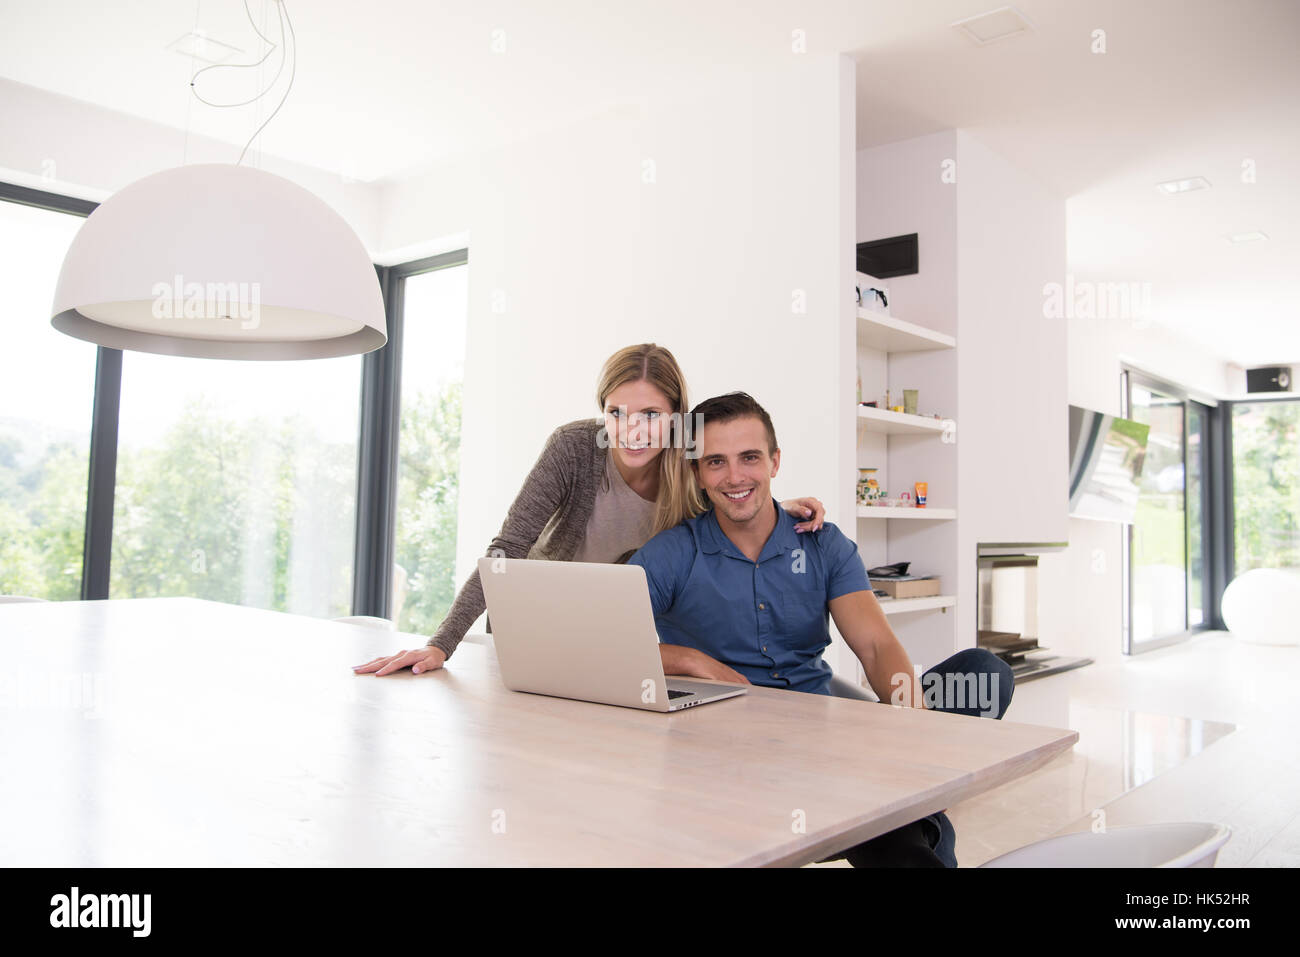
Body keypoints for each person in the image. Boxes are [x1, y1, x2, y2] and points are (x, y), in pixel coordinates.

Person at [626, 391, 1014, 867]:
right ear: (697, 473)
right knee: (902, 829)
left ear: (774, 461)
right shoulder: (672, 554)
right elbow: (606, 642)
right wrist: (688, 659)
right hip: (734, 755)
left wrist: (917, 738)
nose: (734, 477)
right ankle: (912, 804)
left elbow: (874, 647)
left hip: (830, 737)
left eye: (749, 457)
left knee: (984, 670)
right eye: (715, 462)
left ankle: (910, 790)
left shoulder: (823, 545)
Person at [353, 344, 828, 677]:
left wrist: (768, 503)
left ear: (678, 417)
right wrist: (441, 644)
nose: (630, 430)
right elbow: (507, 549)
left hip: (614, 633)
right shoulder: (575, 447)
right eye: (616, 412)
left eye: (649, 415)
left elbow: (727, 497)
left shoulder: (690, 461)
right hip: (538, 619)